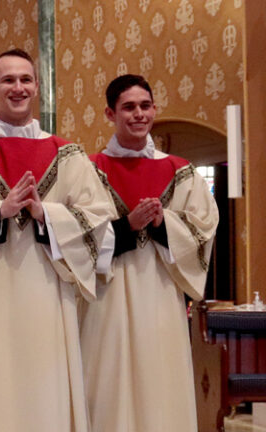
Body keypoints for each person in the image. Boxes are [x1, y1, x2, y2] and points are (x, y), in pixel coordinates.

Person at [0, 48, 114, 432]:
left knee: (46, 395)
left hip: (49, 296)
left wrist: (44, 214)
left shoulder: (69, 156)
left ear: (37, 87)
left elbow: (99, 222)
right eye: (9, 80)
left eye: (26, 80)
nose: (18, 88)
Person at [80, 74, 219, 432]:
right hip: (105, 298)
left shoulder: (181, 171)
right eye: (128, 107)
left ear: (155, 109)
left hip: (160, 296)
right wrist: (126, 226)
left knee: (161, 380)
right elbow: (75, 234)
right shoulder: (88, 170)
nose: (138, 114)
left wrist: (161, 224)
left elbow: (203, 229)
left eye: (145, 106)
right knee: (108, 381)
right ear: (110, 113)